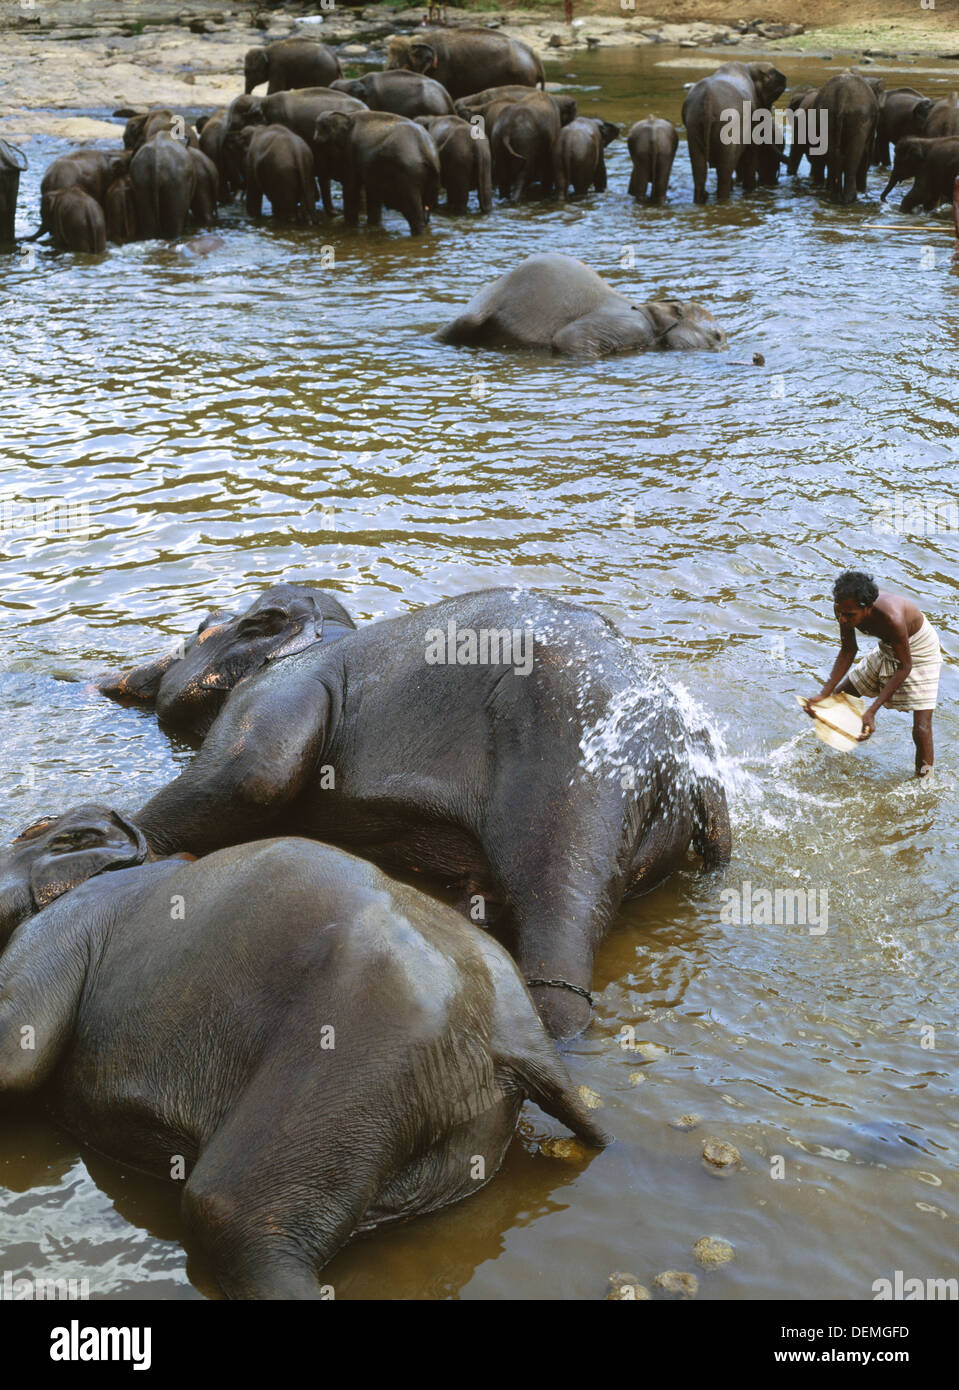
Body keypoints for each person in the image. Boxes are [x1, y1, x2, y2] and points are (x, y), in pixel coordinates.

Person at [805, 571, 942, 776]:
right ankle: (826, 756)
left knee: (921, 727)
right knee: (840, 698)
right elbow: (848, 649)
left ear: (868, 608)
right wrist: (824, 693)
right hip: (888, 646)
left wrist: (872, 711)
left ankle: (925, 780)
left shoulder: (892, 618)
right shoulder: (843, 608)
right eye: (840, 613)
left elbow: (905, 667)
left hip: (920, 651)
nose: (842, 619)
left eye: (849, 615)